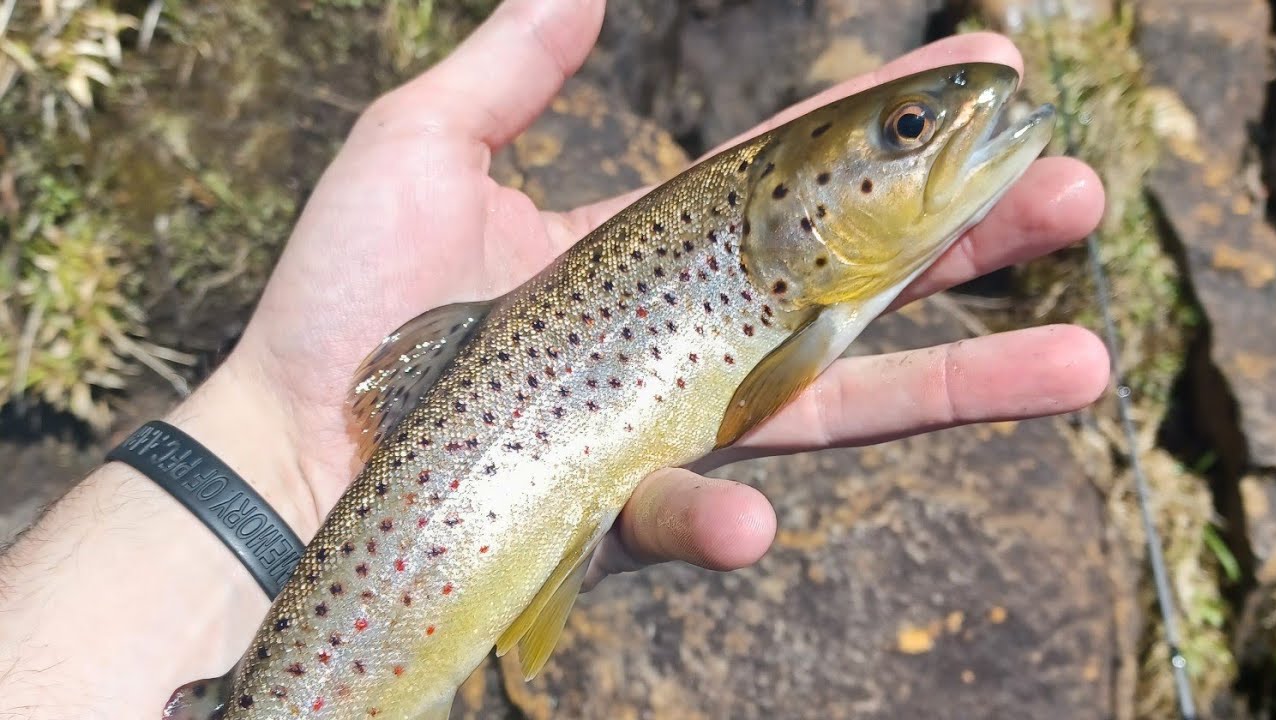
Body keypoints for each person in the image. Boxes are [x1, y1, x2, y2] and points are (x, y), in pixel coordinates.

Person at [0, 1, 1109, 716]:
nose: (936, 135)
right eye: (905, 136)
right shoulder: (795, 313)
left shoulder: (806, 293)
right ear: (791, 205)